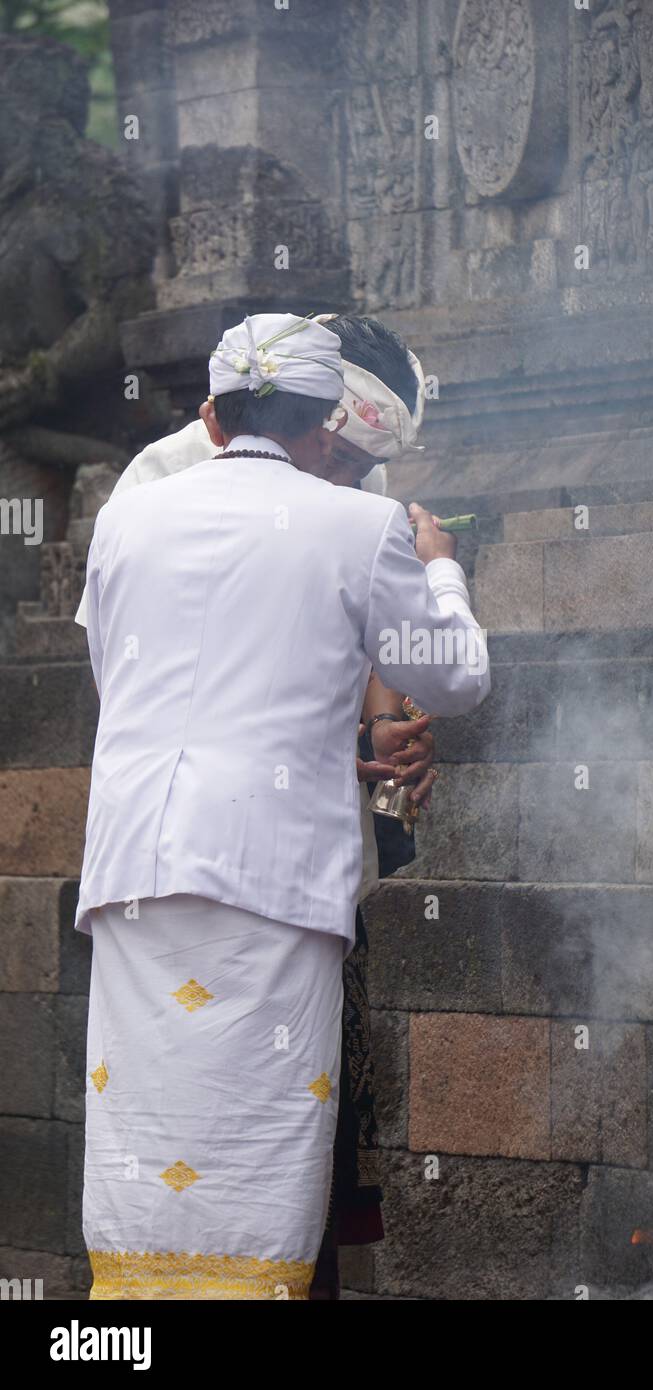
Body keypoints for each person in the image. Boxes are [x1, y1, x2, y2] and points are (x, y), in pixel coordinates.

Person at [77, 311, 489, 1300]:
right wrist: (439, 563)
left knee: (149, 1127)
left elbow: (130, 685)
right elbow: (454, 672)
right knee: (259, 1131)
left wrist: (353, 737)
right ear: (319, 422)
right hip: (270, 870)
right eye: (341, 450)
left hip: (137, 861)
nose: (346, 465)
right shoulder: (345, 516)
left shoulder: (127, 515)